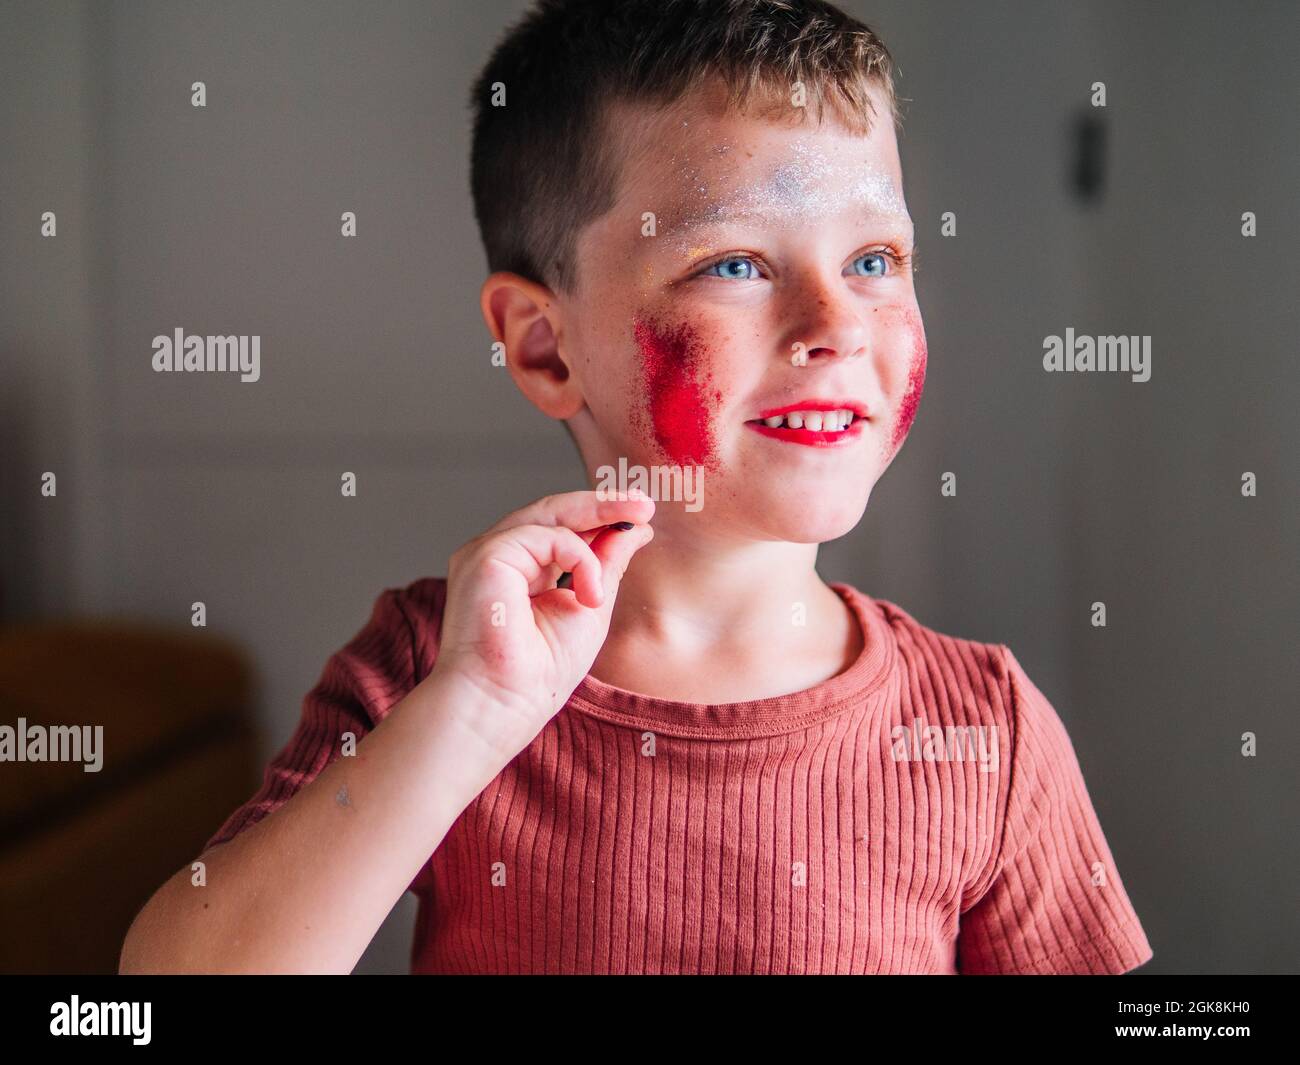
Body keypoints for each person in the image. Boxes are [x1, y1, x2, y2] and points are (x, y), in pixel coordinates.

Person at [120, 0, 1153, 975]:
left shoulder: (988, 729)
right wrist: (473, 711)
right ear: (544, 347)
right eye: (736, 265)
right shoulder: (436, 671)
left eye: (876, 258)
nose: (834, 321)